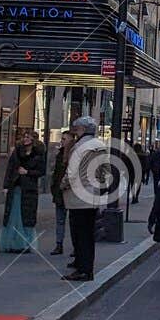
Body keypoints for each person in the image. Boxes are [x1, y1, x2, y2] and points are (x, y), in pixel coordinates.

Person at [61, 117, 102, 281]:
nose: (75, 131)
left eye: (76, 129)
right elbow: (104, 170)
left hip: (78, 196)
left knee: (79, 234)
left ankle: (82, 269)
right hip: (92, 195)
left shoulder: (78, 147)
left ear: (83, 130)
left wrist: (62, 185)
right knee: (88, 235)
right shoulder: (100, 146)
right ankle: (87, 267)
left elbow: (72, 172)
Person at [1, 128, 47, 252]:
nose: (25, 139)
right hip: (16, 186)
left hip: (29, 188)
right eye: (25, 137)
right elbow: (10, 169)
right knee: (13, 214)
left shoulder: (38, 154)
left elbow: (42, 171)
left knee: (26, 215)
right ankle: (12, 242)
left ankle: (25, 243)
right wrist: (6, 186)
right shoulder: (17, 152)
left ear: (34, 140)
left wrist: (28, 172)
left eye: (28, 137)